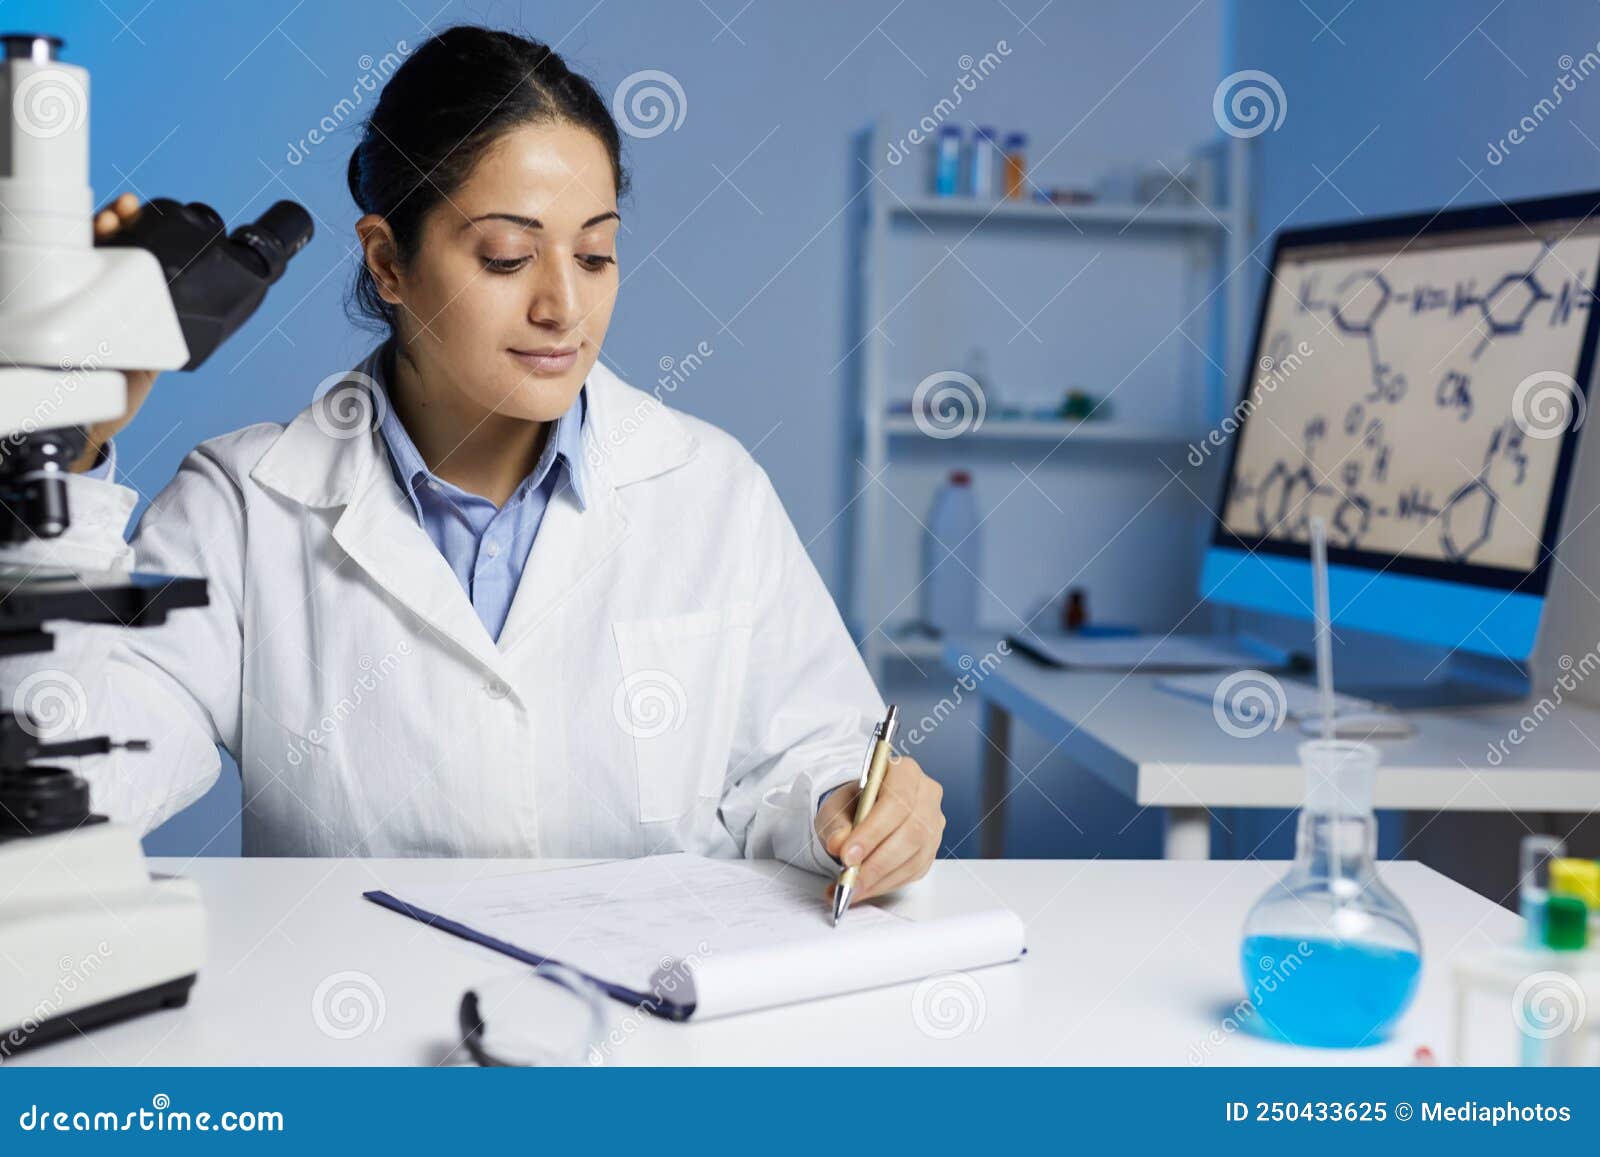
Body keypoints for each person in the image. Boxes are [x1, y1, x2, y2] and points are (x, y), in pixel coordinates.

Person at [7, 25, 943, 906]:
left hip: (643, 1044)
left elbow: (811, 755)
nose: (563, 306)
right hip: (360, 1040)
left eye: (596, 253)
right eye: (506, 257)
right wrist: (63, 446)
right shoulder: (247, 506)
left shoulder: (708, 487)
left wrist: (853, 807)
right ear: (387, 261)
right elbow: (68, 782)